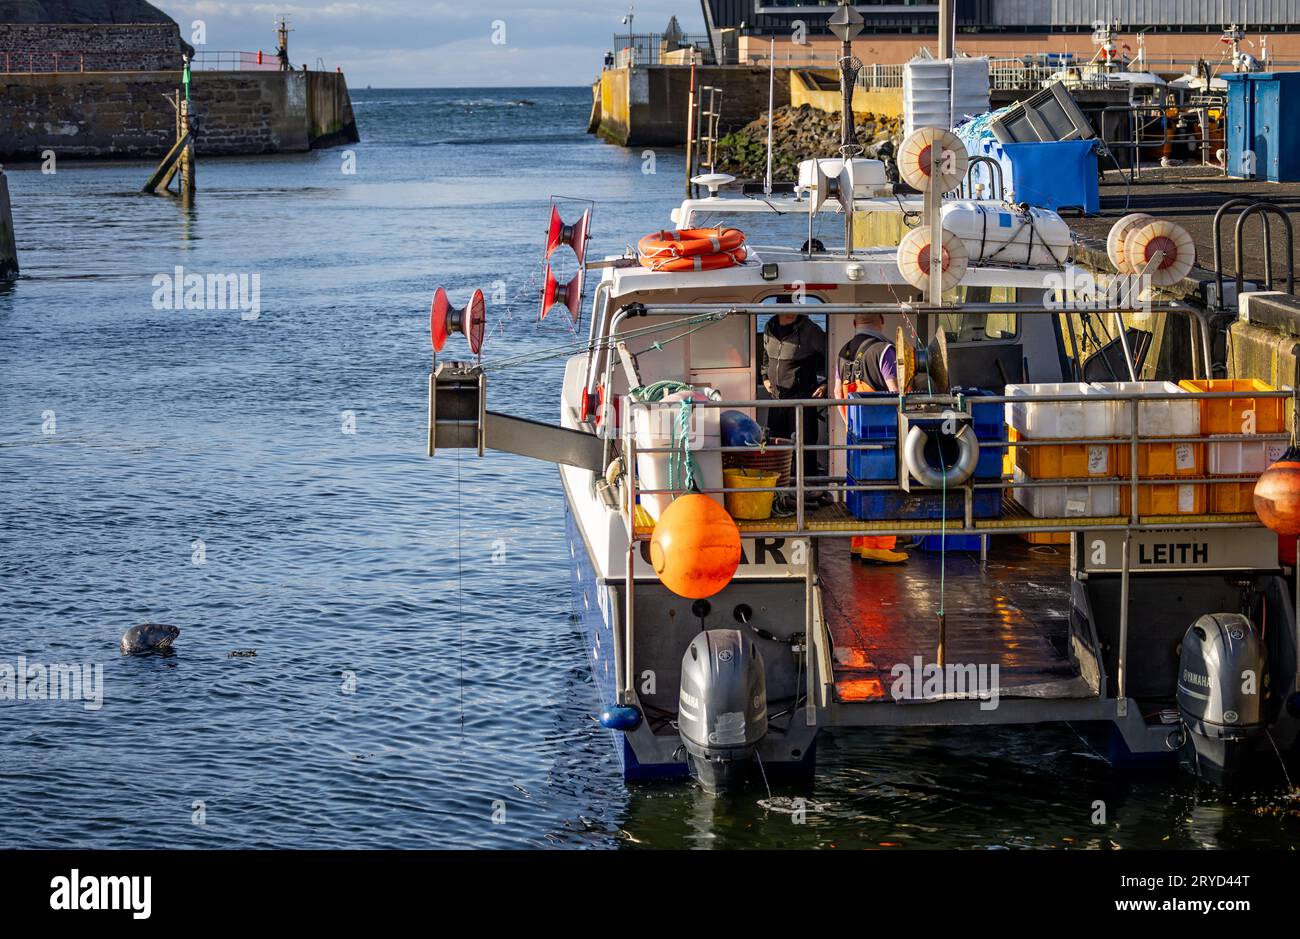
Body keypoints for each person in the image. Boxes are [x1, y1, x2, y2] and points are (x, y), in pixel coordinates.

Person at [836, 312, 908, 564]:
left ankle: (859, 543)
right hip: (882, 433)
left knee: (859, 486)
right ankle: (879, 546)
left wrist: (849, 425)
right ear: (882, 321)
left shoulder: (844, 351)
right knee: (884, 486)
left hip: (855, 433)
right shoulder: (885, 350)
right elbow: (895, 393)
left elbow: (837, 393)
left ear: (855, 323)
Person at [761, 312, 827, 498]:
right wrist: (765, 377)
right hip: (777, 398)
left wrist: (826, 383)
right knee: (776, 443)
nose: (792, 312)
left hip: (802, 399)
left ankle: (809, 490)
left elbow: (831, 353)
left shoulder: (811, 330)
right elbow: (765, 357)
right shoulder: (769, 327)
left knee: (804, 445)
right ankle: (778, 491)